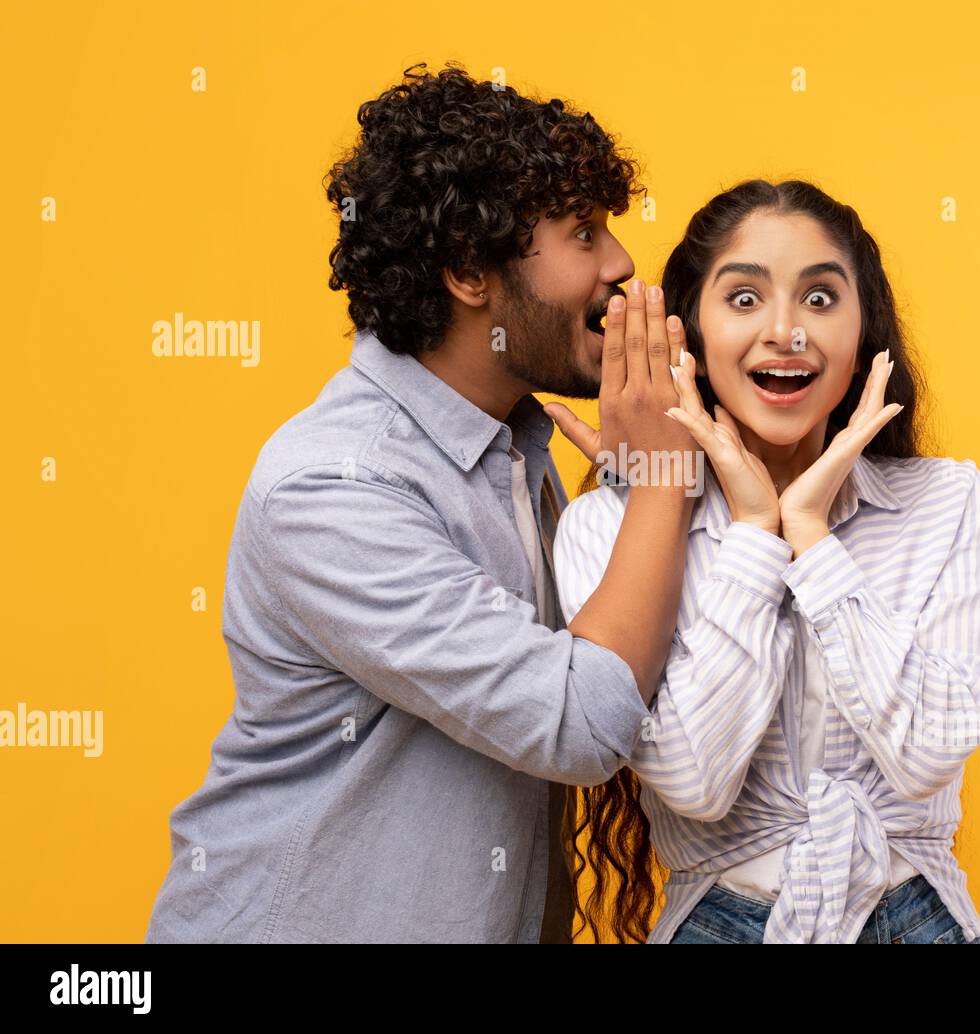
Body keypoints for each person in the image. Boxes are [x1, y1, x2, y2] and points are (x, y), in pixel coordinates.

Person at [144, 61, 698, 943]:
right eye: (584, 233)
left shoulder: (515, 447)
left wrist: (639, 485)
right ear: (470, 273)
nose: (623, 264)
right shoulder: (333, 487)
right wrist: (666, 480)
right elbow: (583, 722)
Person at [554, 178, 980, 944]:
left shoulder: (947, 502)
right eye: (743, 299)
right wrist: (757, 536)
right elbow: (697, 780)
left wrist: (811, 535)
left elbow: (929, 753)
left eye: (821, 300)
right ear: (688, 332)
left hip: (916, 919)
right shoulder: (611, 526)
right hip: (719, 924)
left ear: (865, 334)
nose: (787, 333)